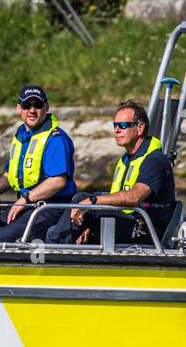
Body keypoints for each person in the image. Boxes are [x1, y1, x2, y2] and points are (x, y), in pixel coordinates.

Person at [49, 100, 175, 248]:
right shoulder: (127, 159)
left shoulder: (155, 160)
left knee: (84, 199)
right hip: (127, 221)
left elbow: (134, 197)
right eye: (114, 125)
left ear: (140, 128)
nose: (116, 130)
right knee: (82, 201)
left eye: (122, 126)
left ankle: (54, 250)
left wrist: (92, 202)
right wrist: (89, 224)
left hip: (145, 231)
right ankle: (63, 245)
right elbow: (116, 199)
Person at [0, 85, 77, 244]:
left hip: (52, 207)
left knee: (3, 239)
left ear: (46, 107)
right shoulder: (21, 136)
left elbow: (57, 181)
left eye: (38, 105)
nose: (32, 110)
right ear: (19, 108)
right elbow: (9, 176)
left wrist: (24, 200)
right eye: (27, 105)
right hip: (29, 205)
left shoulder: (55, 138)